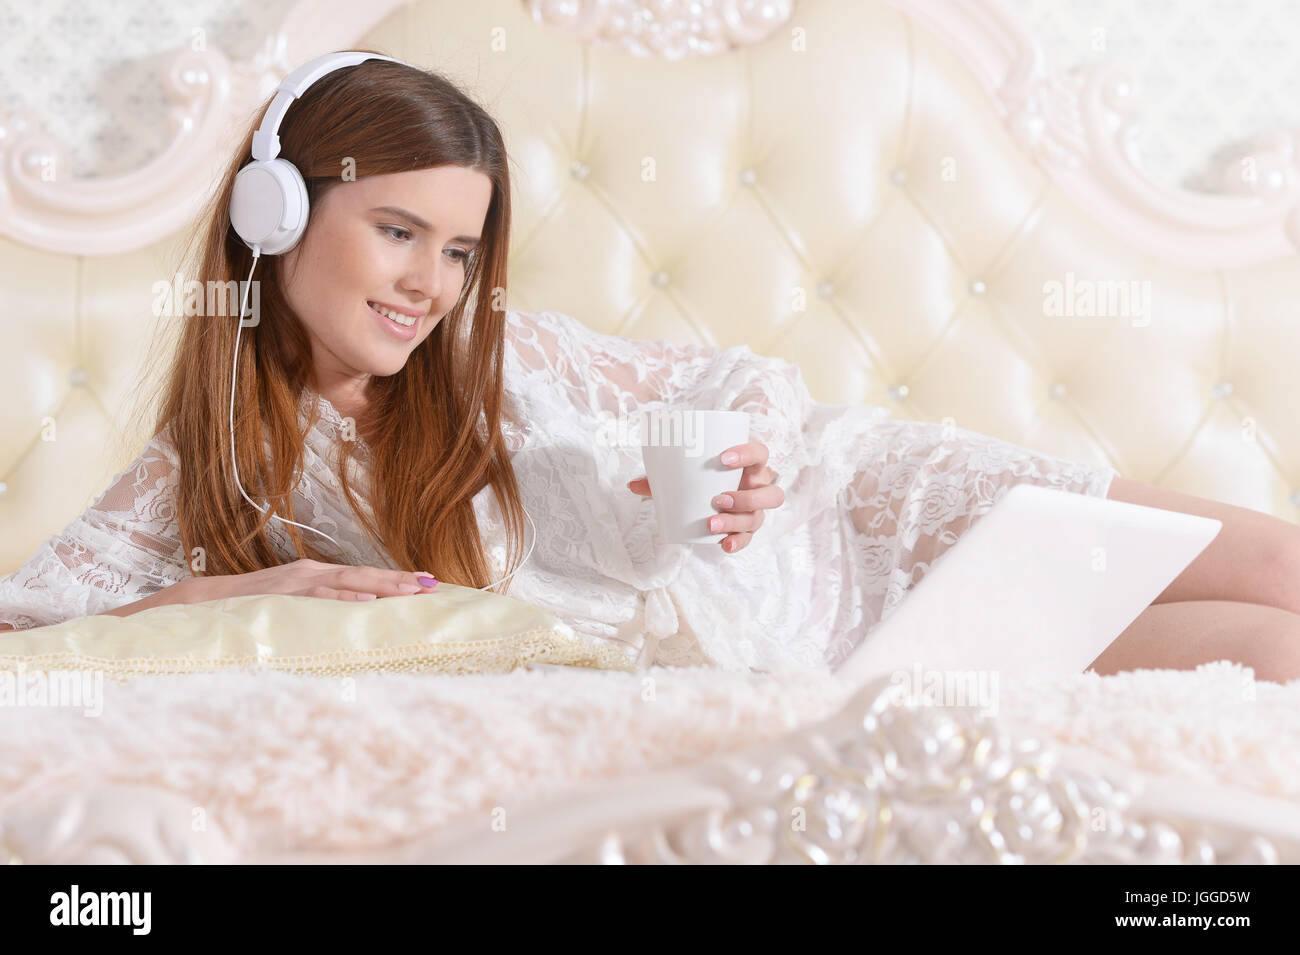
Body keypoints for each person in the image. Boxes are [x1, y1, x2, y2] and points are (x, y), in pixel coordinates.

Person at [3, 53, 1300, 682]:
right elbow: (28, 642)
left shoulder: (490, 349)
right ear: (275, 215)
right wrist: (246, 590)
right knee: (1261, 652)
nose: (427, 282)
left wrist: (750, 457)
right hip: (814, 656)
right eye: (396, 232)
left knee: (1280, 572)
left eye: (456, 247)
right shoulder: (213, 471)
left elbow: (739, 383)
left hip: (861, 512)